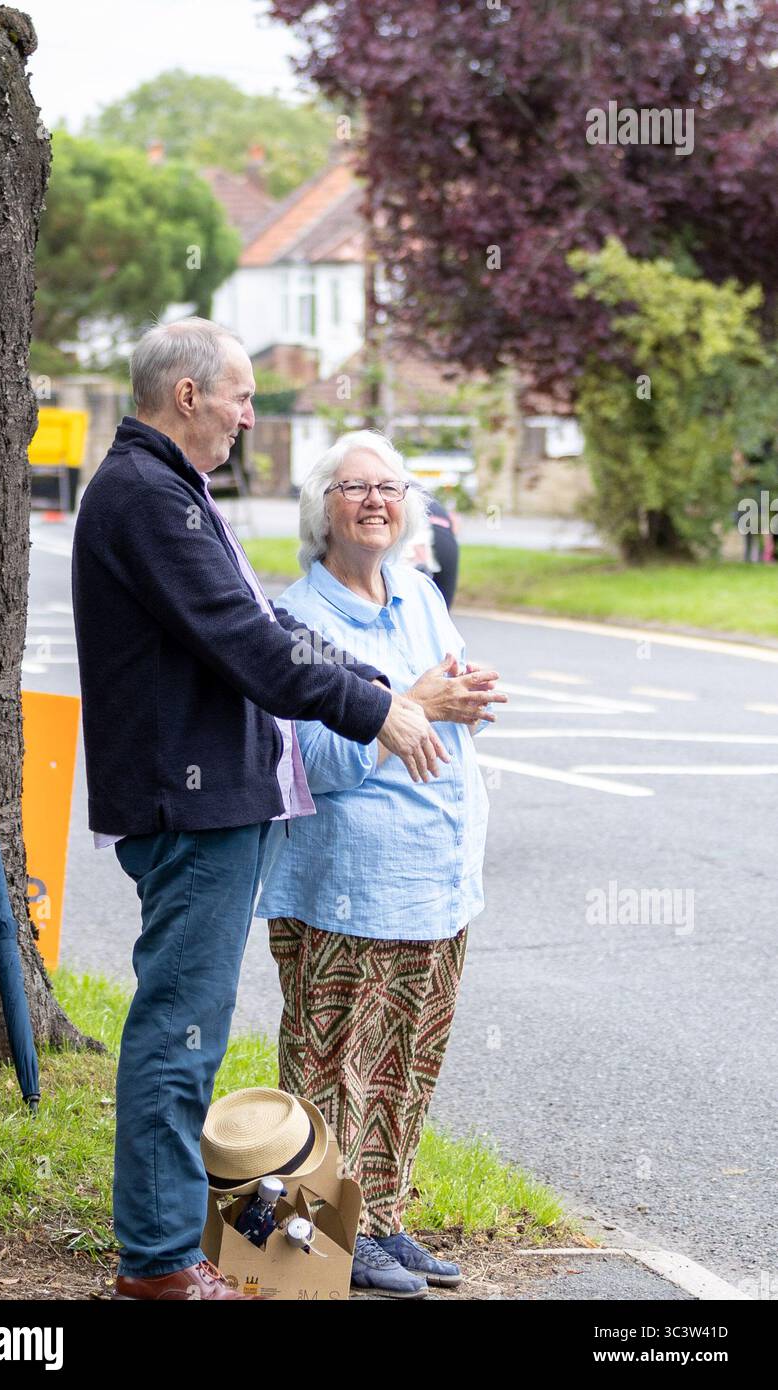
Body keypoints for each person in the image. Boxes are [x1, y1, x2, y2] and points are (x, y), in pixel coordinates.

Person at [72, 319, 451, 1302]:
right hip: (188, 808)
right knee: (179, 1029)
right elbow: (249, 640)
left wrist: (375, 687)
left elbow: (268, 624)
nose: (252, 414)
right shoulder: (148, 496)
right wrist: (378, 706)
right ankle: (158, 1261)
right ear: (187, 396)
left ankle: (185, 1243)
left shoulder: (172, 490)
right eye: (241, 396)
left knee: (187, 1024)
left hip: (209, 806)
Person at [256, 429, 506, 1298]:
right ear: (320, 506)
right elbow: (304, 765)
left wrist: (461, 704)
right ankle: (321, 1236)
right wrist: (409, 709)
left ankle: (385, 1219)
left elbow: (442, 702)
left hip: (436, 881)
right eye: (355, 487)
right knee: (333, 1067)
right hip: (347, 885)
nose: (376, 501)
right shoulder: (299, 621)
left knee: (408, 1061)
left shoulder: (422, 596)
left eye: (391, 488)